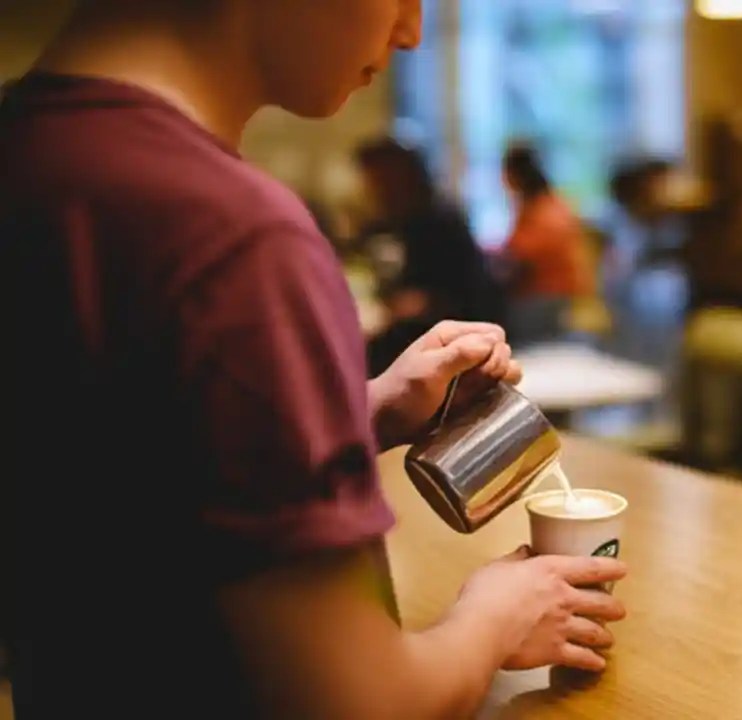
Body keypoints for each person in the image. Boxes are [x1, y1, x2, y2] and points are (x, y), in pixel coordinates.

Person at [0, 2, 626, 718]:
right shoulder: (229, 232)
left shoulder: (35, 150)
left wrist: (367, 408)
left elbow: (121, 482)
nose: (412, 32)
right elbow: (360, 704)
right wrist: (496, 616)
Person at [356, 137, 507, 376]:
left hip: (447, 341)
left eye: (378, 177)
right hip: (397, 338)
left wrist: (423, 302)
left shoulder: (441, 222)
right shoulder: (381, 223)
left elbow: (472, 292)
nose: (370, 186)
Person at [497, 141, 596, 346]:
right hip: (553, 295)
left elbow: (521, 261)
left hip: (546, 296)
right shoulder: (549, 203)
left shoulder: (541, 212)